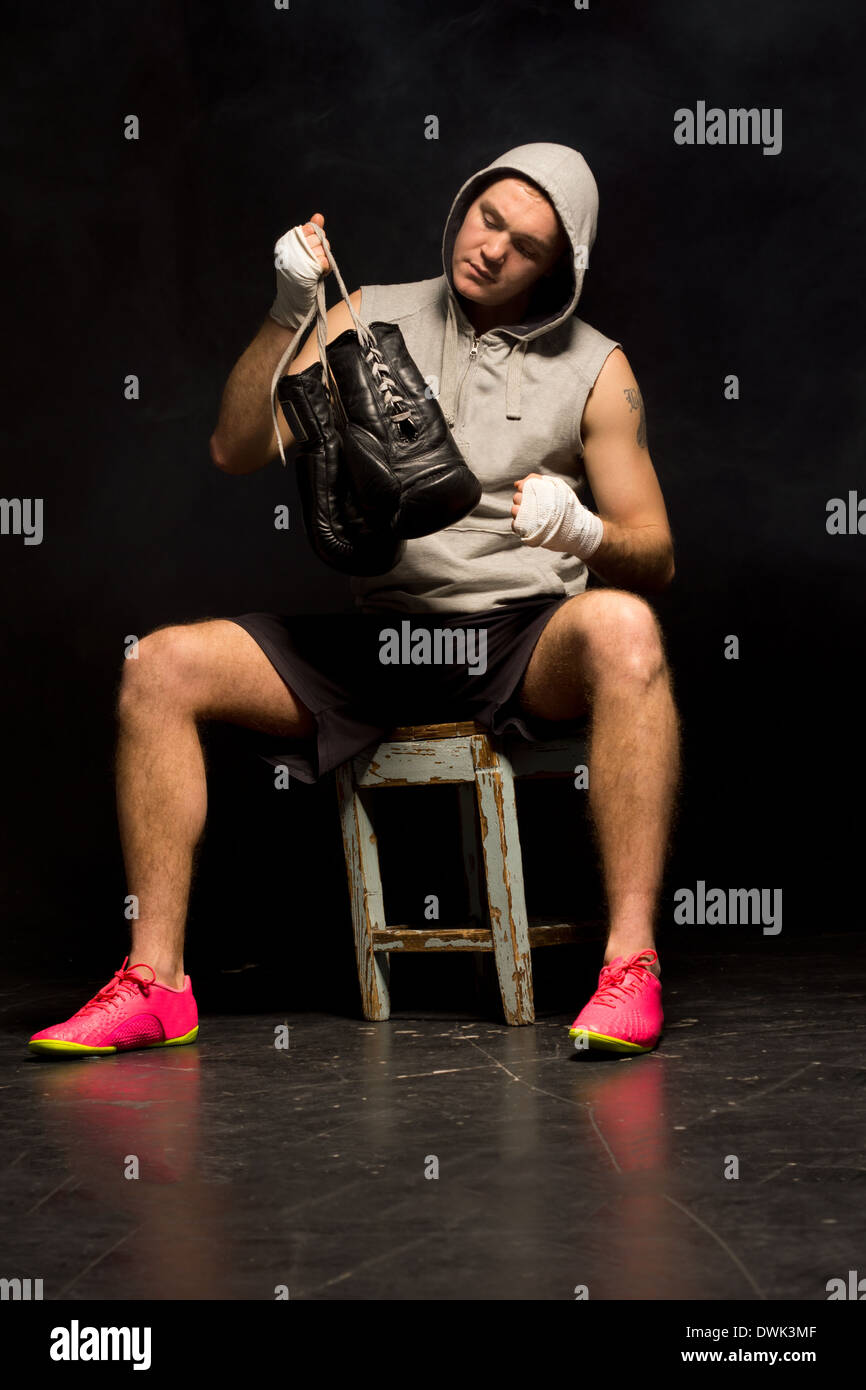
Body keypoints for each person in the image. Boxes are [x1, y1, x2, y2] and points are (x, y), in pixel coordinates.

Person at [28, 142, 679, 1059]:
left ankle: (630, 967)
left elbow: (655, 556)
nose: (491, 248)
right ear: (466, 209)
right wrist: (288, 313)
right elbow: (235, 446)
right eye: (488, 218)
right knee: (159, 663)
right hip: (383, 644)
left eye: (524, 245)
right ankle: (157, 982)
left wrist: (585, 533)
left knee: (626, 625)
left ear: (556, 269)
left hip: (520, 645)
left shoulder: (597, 368)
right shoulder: (367, 315)